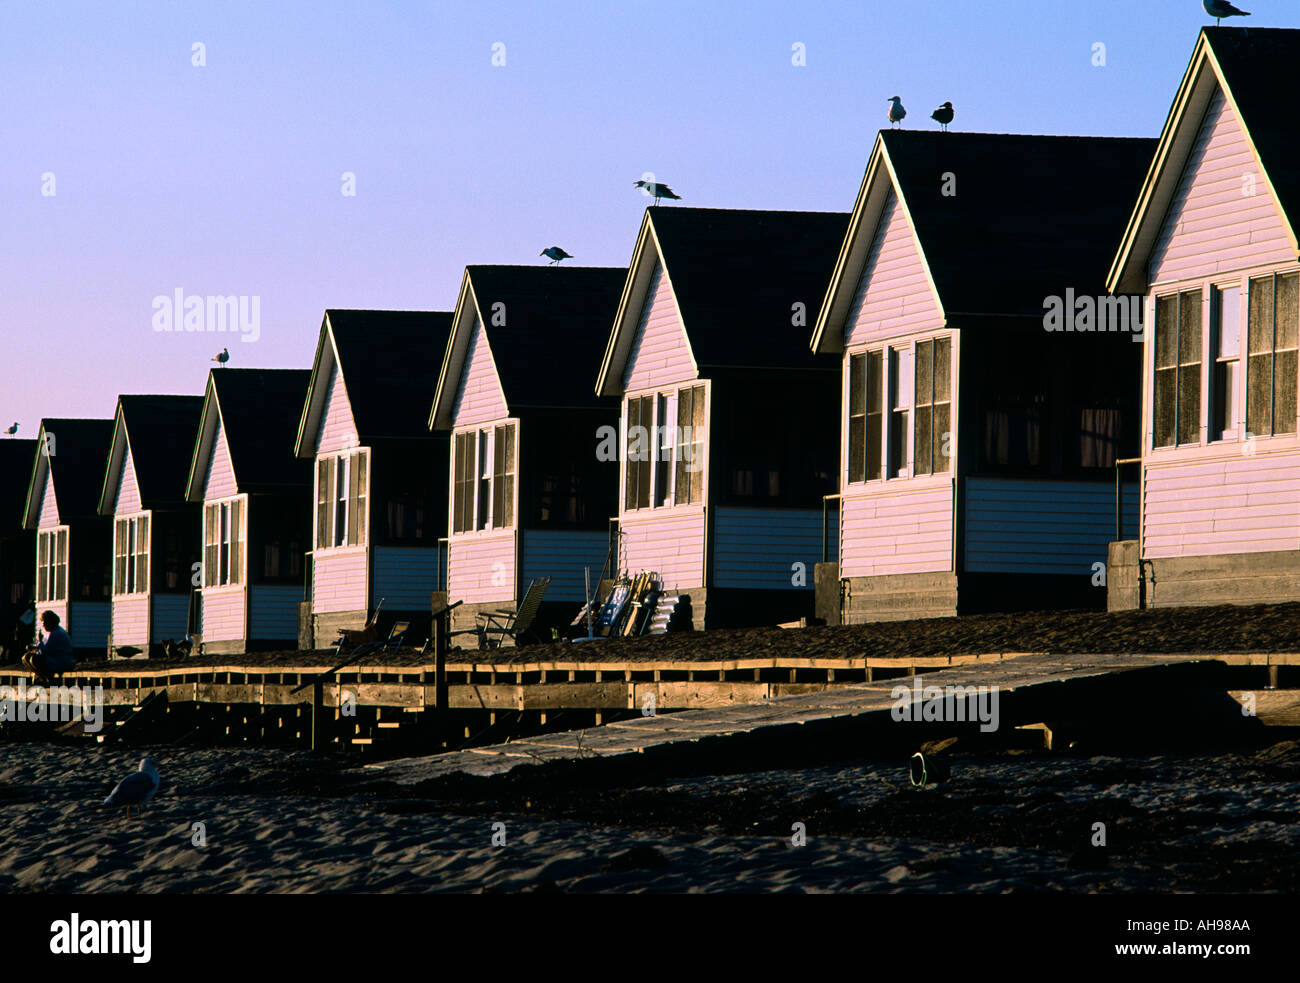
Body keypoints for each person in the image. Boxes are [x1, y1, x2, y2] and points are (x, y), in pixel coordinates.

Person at [22, 611, 75, 683]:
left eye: (43, 623)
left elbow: (45, 652)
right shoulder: (53, 632)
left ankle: (45, 678)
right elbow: (45, 649)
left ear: (49, 623)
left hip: (62, 662)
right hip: (56, 660)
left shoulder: (56, 634)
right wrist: (36, 648)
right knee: (26, 657)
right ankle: (41, 677)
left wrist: (39, 642)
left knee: (34, 659)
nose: (43, 626)